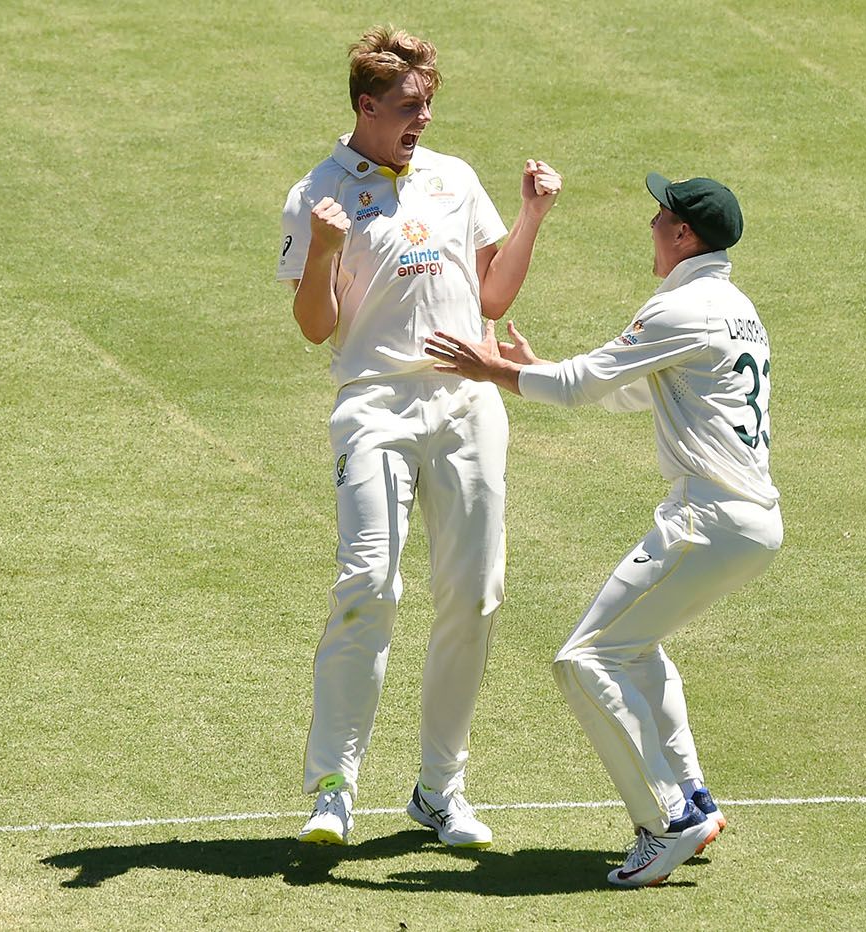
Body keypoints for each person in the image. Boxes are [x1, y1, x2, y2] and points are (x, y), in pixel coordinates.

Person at [424, 173, 782, 886]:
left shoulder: (684, 306)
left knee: (584, 660)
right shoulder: (734, 306)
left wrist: (492, 368)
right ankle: (696, 803)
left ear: (684, 235)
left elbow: (583, 387)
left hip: (708, 516)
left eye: (660, 216)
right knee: (633, 649)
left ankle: (666, 821)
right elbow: (629, 389)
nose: (650, 224)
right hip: (748, 519)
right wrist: (536, 369)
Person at [276, 25, 562, 848]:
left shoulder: (453, 177)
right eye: (408, 106)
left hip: (469, 407)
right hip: (374, 407)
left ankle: (440, 790)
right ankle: (333, 785)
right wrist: (328, 246)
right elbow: (315, 326)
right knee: (369, 584)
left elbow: (493, 297)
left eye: (429, 104)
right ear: (366, 106)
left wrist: (532, 216)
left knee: (474, 596)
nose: (423, 119)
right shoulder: (318, 193)